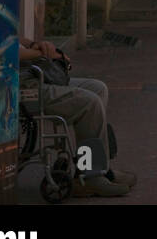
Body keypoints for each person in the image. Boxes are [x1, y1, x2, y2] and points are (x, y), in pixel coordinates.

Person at [18, 38, 137, 197]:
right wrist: (45, 53)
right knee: (90, 103)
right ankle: (91, 177)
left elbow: (14, 36)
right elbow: (8, 52)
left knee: (98, 88)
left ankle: (95, 168)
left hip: (38, 76)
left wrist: (34, 44)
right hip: (24, 85)